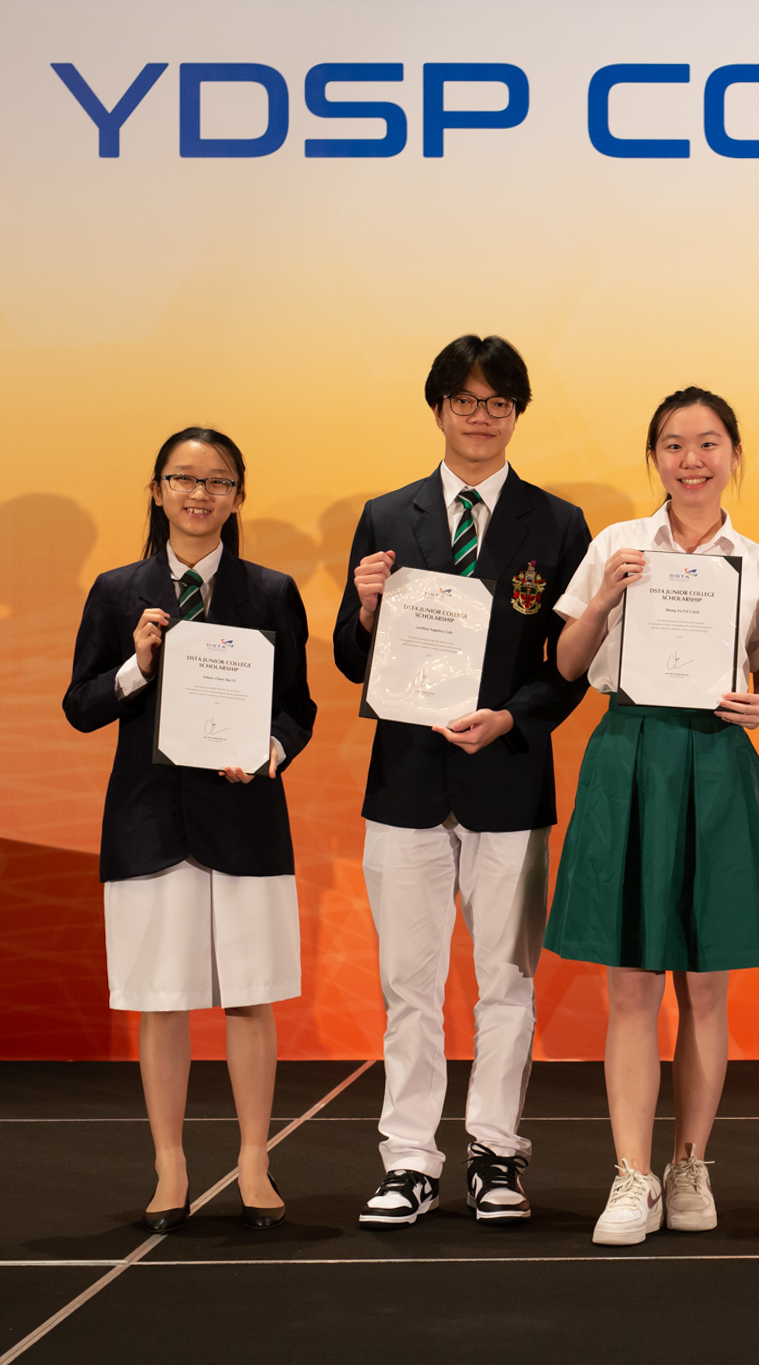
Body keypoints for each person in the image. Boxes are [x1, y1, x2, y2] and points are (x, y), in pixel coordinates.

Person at [333, 335, 591, 1228]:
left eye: (498, 403)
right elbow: (350, 657)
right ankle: (408, 1158)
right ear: (438, 408)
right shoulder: (387, 516)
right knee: (408, 983)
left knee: (506, 980)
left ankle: (495, 1151)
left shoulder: (557, 524)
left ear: (517, 414)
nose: (481, 417)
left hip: (507, 777)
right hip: (406, 782)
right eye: (465, 401)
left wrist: (511, 718)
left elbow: (569, 665)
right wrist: (367, 606)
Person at [544, 387, 759, 1247]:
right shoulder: (616, 544)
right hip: (630, 753)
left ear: (734, 455)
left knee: (707, 982)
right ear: (654, 457)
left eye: (709, 443)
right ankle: (632, 1173)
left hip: (718, 762)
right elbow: (567, 663)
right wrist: (605, 598)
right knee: (631, 983)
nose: (692, 460)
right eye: (674, 445)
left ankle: (689, 1163)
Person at [62, 426, 315, 1233]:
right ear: (157, 490)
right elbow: (81, 706)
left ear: (238, 496)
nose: (200, 494)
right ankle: (169, 1162)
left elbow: (297, 707)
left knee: (249, 995)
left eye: (218, 481)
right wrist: (136, 664)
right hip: (151, 820)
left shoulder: (270, 592)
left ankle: (254, 1159)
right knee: (162, 999)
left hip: (245, 818)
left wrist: (270, 750)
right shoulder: (116, 591)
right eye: (184, 478)